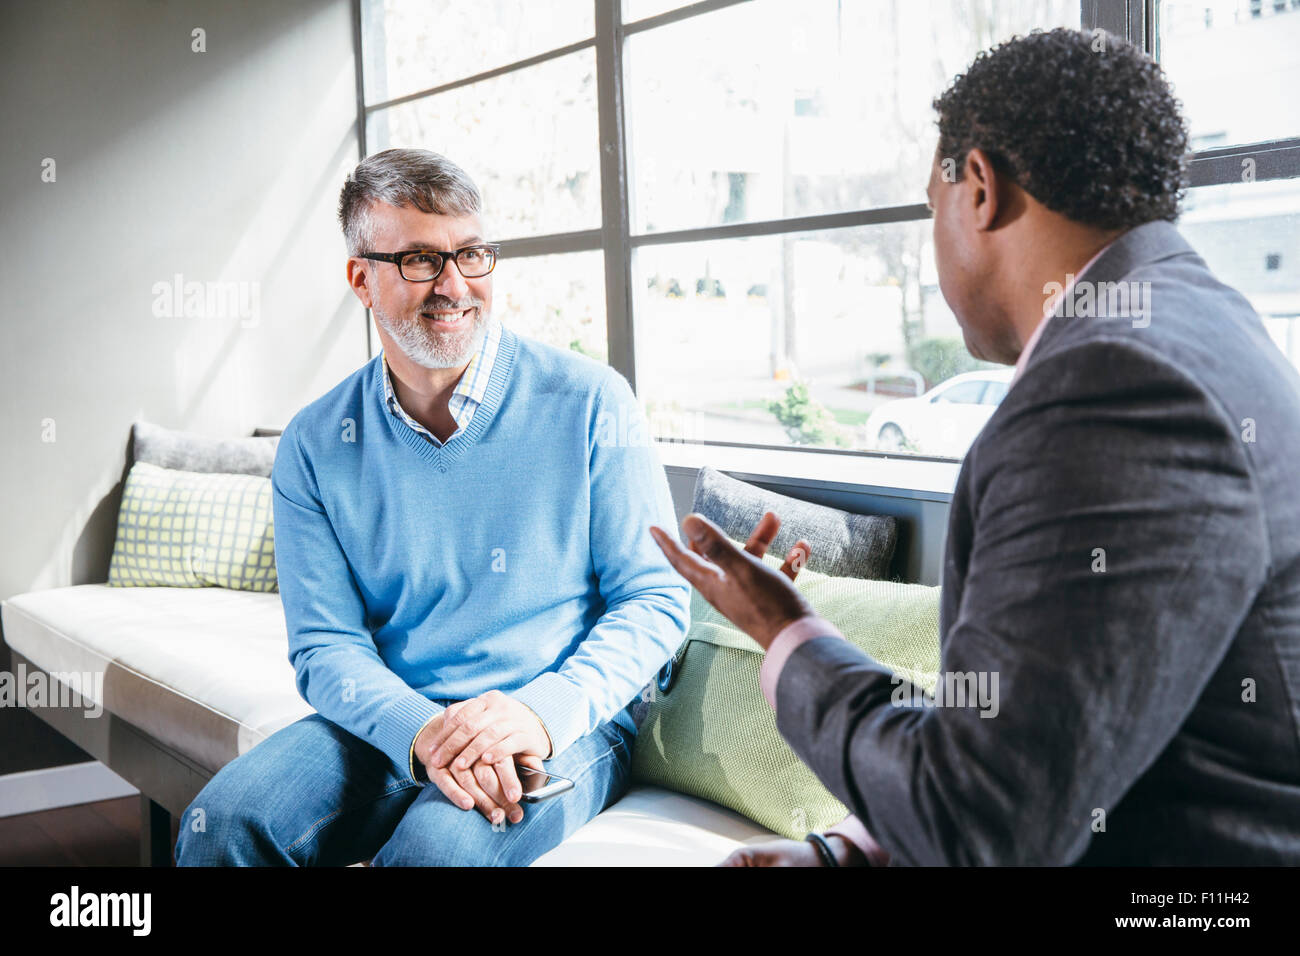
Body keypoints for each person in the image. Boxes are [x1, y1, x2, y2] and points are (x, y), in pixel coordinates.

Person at [651, 27, 1300, 866]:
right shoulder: (1196, 322)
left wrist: (783, 633)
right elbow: (1058, 723)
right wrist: (851, 852)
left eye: (932, 208)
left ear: (980, 187)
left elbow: (986, 821)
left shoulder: (1112, 383)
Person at [176, 148, 690, 866]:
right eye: (420, 260)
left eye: (472, 254)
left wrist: (539, 714)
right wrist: (423, 731)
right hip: (394, 719)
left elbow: (655, 600)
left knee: (435, 854)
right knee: (223, 826)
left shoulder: (591, 402)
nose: (455, 285)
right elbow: (325, 647)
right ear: (362, 278)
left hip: (562, 721)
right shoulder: (316, 443)